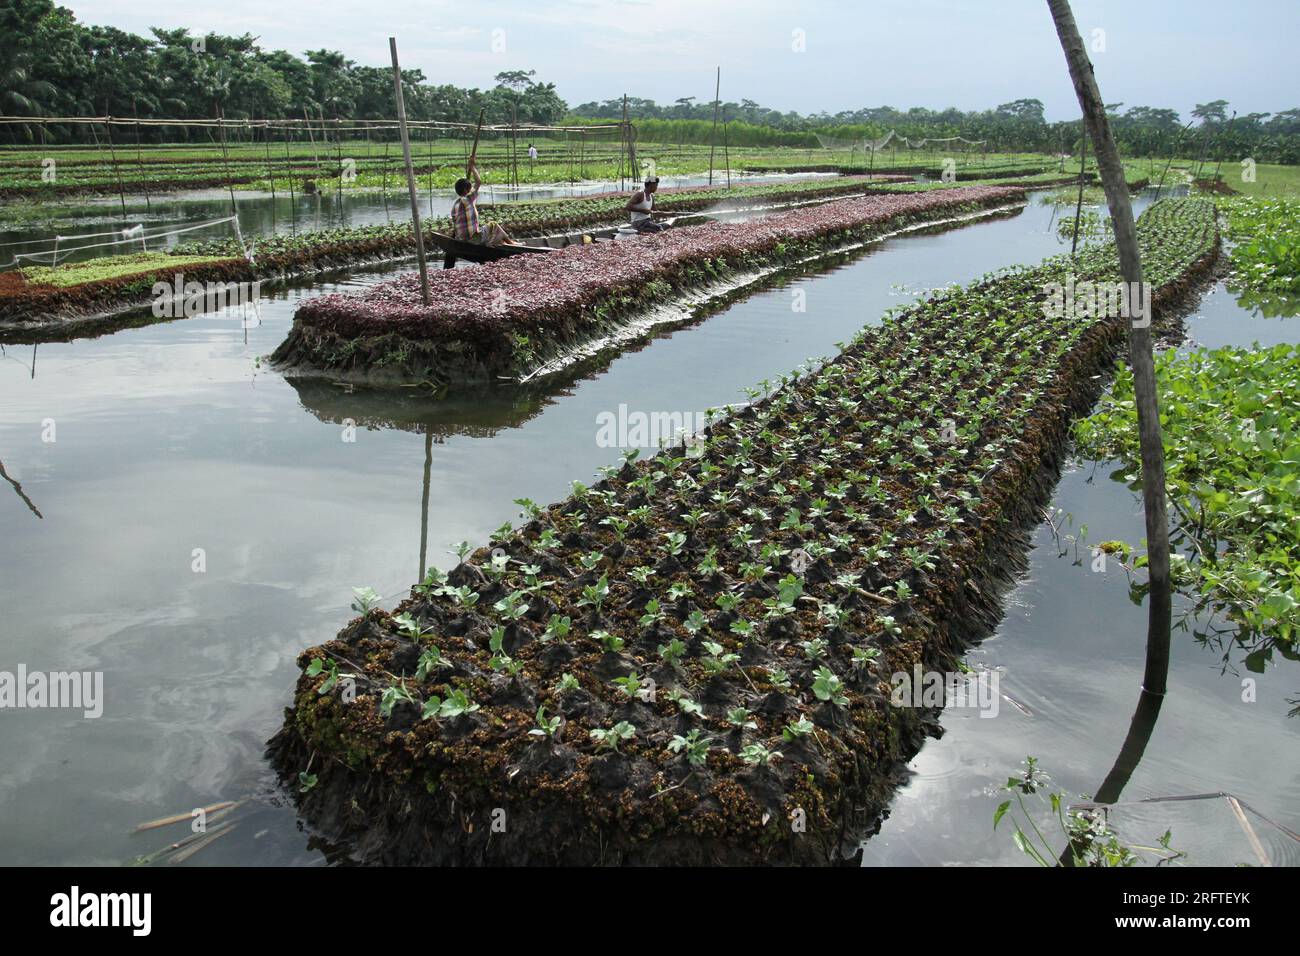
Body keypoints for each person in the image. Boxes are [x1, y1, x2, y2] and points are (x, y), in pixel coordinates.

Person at [450, 160, 516, 246]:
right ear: (466, 190)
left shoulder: (455, 205)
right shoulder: (467, 199)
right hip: (473, 239)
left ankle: (501, 242)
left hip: (461, 239)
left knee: (484, 229)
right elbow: (478, 182)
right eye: (469, 189)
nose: (471, 191)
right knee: (493, 224)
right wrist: (472, 167)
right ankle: (512, 243)